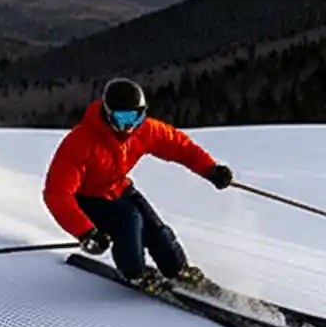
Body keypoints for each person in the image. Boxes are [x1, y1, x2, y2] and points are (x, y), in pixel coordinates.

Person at [43, 78, 234, 294]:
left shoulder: (144, 130)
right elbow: (57, 194)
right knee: (129, 221)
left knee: (155, 228)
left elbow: (180, 147)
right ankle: (135, 273)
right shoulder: (81, 141)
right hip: (87, 198)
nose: (128, 125)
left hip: (118, 188)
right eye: (122, 117)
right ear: (107, 113)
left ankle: (178, 270)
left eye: (135, 116)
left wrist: (211, 170)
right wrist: (86, 231)